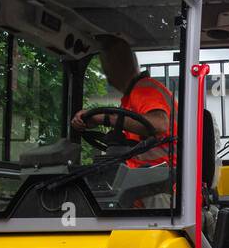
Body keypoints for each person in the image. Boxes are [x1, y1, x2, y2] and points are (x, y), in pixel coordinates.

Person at [71, 37, 175, 168]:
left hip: (169, 174)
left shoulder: (144, 89)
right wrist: (93, 120)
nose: (107, 72)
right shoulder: (131, 99)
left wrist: (104, 118)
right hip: (151, 173)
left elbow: (160, 125)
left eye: (111, 63)